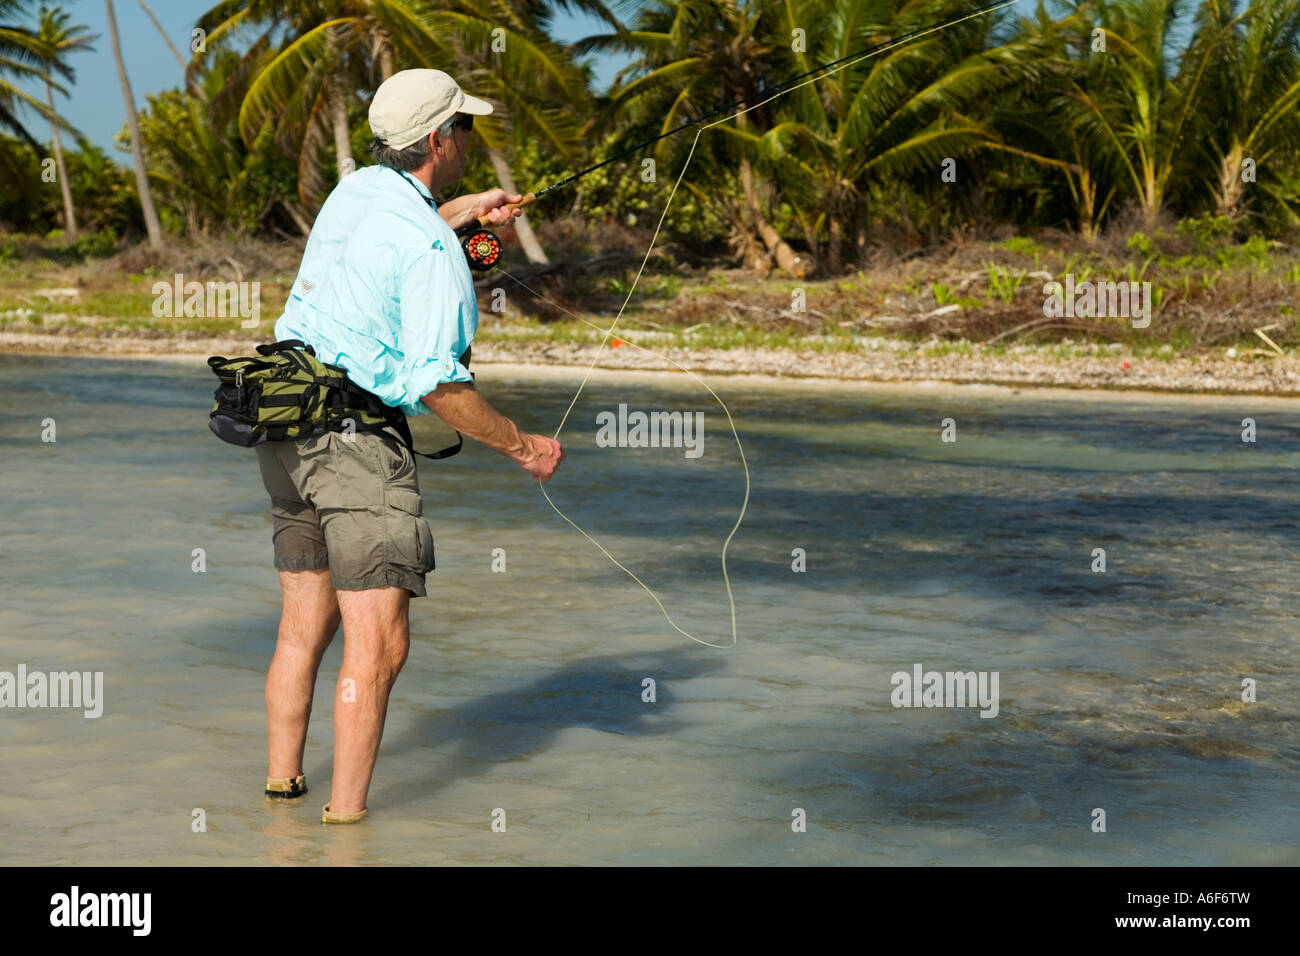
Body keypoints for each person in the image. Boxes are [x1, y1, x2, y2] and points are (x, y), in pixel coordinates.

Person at [255, 69, 564, 823]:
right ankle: (347, 827)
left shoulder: (355, 189)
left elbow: (409, 215)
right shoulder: (432, 254)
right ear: (438, 140)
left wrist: (470, 211)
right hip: (356, 445)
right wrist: (523, 446)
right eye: (466, 129)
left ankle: (281, 792)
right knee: (380, 645)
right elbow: (439, 388)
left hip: (284, 419)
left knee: (304, 626)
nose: (469, 141)